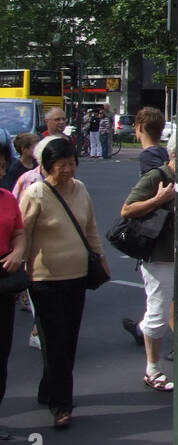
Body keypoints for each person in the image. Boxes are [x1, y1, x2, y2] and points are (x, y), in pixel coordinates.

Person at [19, 136, 110, 429]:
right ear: (47, 167)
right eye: (62, 165)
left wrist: (100, 256)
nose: (69, 170)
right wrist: (21, 272)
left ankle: (49, 390)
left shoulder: (80, 190)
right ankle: (62, 405)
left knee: (68, 339)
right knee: (55, 340)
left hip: (77, 276)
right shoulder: (35, 194)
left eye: (72, 163)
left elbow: (91, 227)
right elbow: (23, 235)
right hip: (45, 279)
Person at [120, 126, 176, 387]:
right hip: (160, 255)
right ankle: (152, 369)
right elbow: (127, 209)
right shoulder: (158, 176)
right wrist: (158, 199)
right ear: (175, 154)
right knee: (158, 310)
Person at [0, 147, 27, 439]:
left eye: (1, 166)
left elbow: (19, 232)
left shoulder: (7, 199)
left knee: (1, 354)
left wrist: (19, 251)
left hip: (3, 281)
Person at [135, 108, 170, 175]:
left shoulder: (148, 155)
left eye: (135, 126)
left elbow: (155, 180)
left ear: (140, 127)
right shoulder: (164, 152)